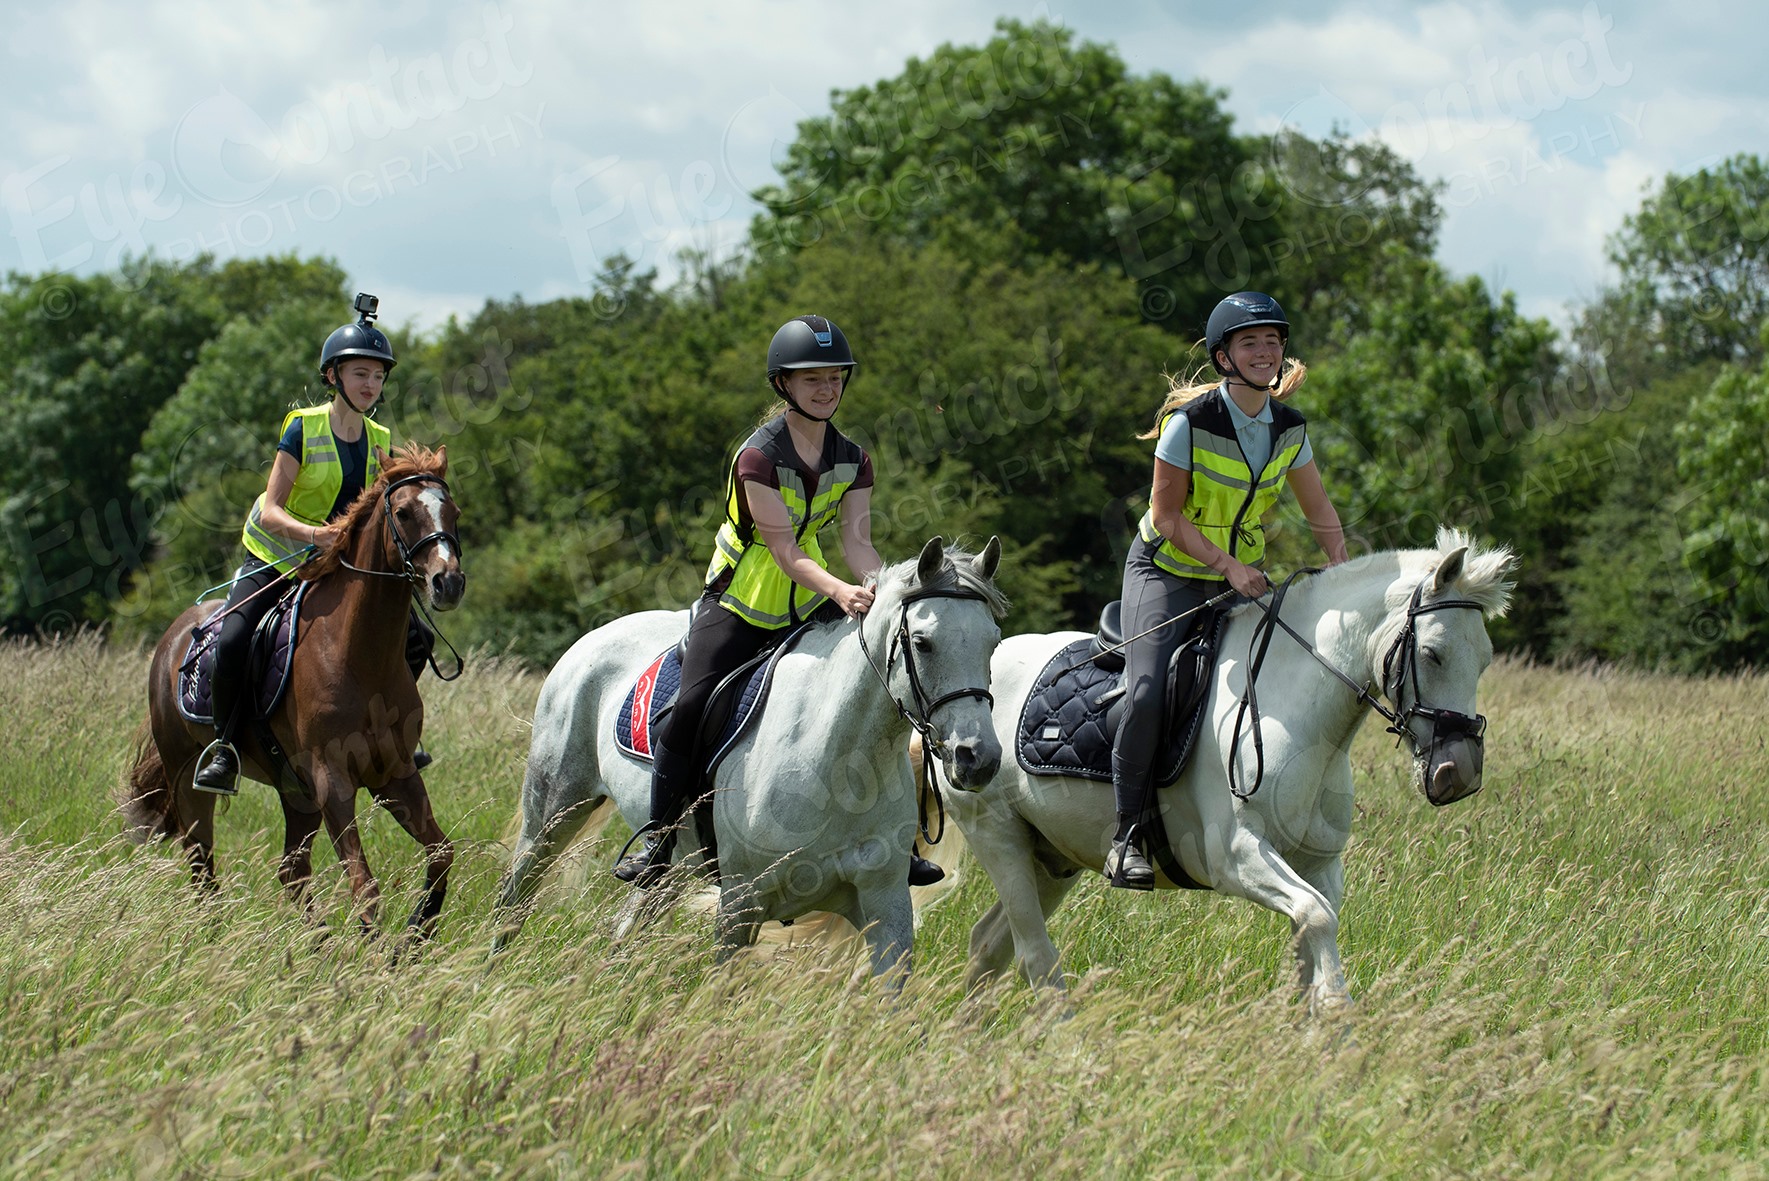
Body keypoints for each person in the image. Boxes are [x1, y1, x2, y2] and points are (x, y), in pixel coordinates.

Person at [614, 314, 945, 888]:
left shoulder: (854, 458)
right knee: (689, 708)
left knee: (880, 694)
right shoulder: (757, 458)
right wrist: (843, 590)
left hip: (809, 600)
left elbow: (857, 542)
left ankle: (897, 836)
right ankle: (657, 842)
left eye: (835, 378)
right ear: (783, 386)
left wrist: (889, 589)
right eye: (811, 378)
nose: (826, 389)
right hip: (742, 598)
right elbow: (786, 552)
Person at [1105, 291, 1349, 888]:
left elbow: (1319, 510)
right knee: (1144, 693)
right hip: (1165, 573)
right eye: (1250, 343)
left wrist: (1342, 569)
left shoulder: (1290, 428)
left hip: (1242, 578)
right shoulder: (1186, 425)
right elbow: (1166, 519)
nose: (1266, 352)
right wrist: (1228, 566)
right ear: (1223, 357)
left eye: (1273, 342)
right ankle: (1127, 835)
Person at [193, 293, 420, 794]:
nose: (371, 385)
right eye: (361, 374)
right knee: (234, 639)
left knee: (416, 635)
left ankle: (392, 731)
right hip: (278, 558)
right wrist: (318, 535)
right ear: (333, 376)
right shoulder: (303, 427)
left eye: (379, 376)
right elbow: (271, 511)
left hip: (335, 566)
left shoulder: (380, 437)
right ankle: (224, 747)